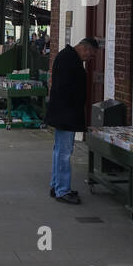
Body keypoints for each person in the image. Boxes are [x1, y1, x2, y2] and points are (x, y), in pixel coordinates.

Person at [44, 37, 100, 204]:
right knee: (64, 153)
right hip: (67, 114)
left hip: (63, 113)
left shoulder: (65, 56)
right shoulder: (70, 60)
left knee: (59, 150)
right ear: (85, 49)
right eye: (90, 56)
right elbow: (69, 90)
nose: (89, 59)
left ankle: (56, 185)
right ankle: (62, 190)